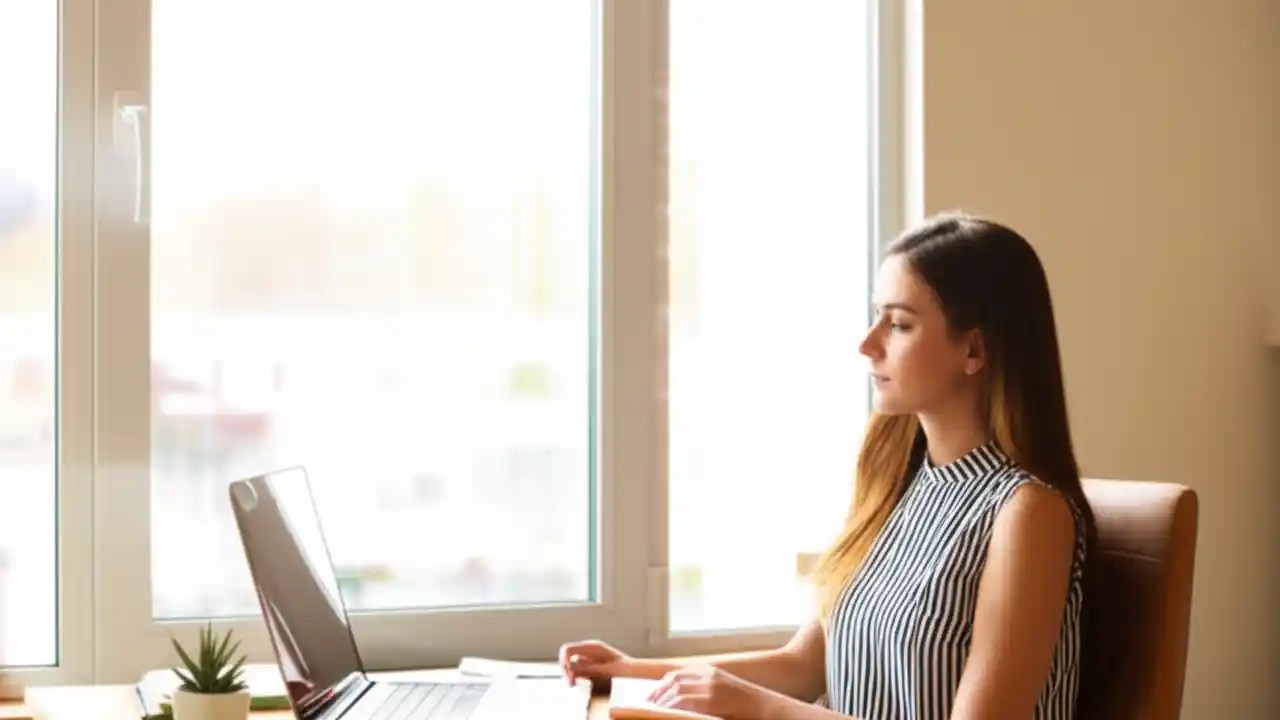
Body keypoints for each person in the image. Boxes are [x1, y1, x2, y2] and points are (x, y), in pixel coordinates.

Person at [559, 214, 1097, 719]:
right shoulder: (898, 484)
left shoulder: (1030, 513)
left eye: (900, 324)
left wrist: (760, 708)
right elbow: (801, 666)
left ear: (974, 349)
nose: (868, 344)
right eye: (876, 317)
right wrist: (632, 670)